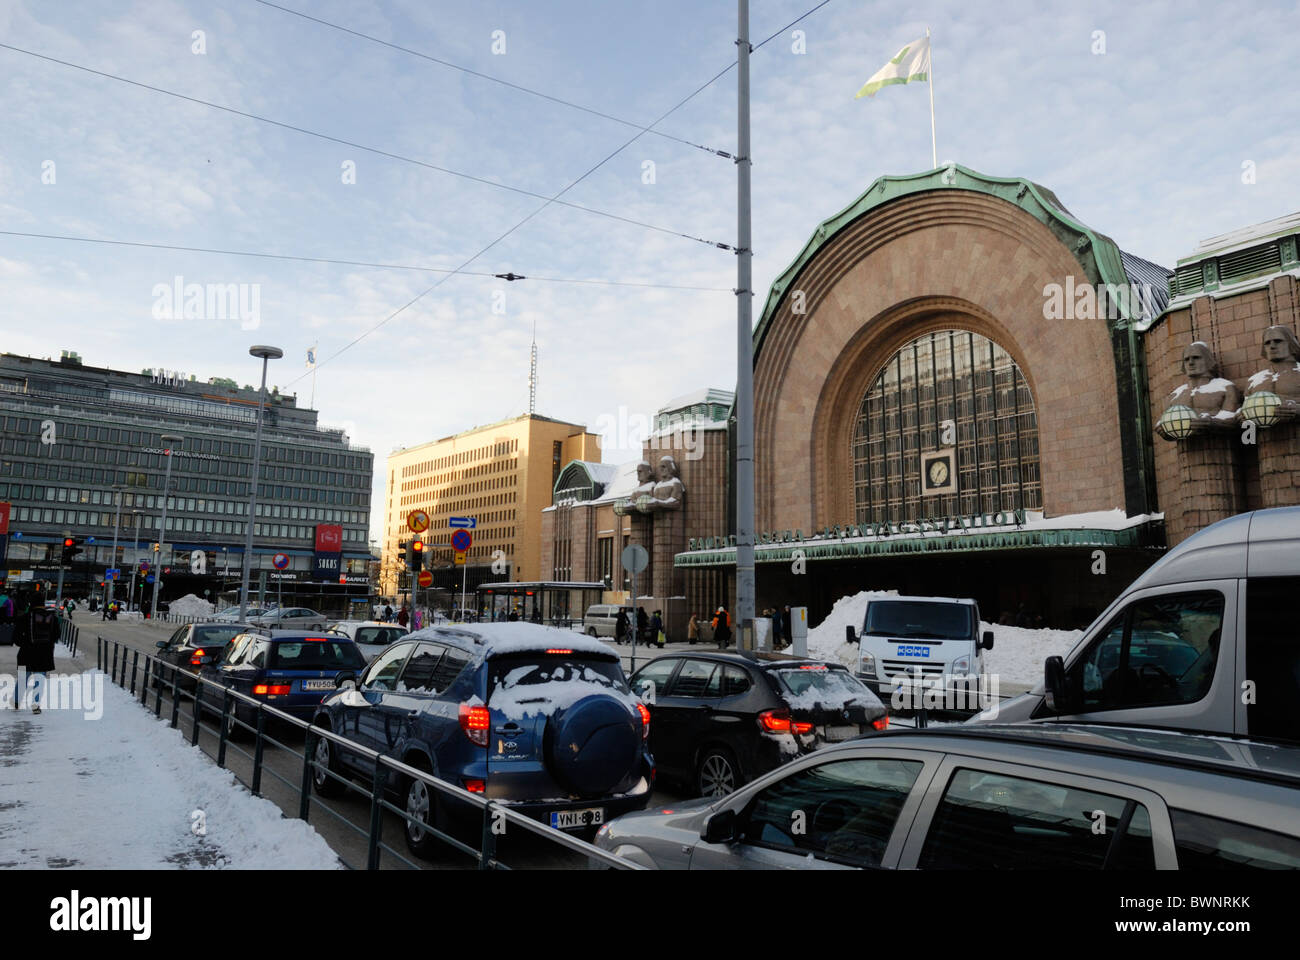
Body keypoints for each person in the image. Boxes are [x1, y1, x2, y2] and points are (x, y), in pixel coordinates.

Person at [15, 593, 58, 713]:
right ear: (43, 603)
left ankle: (17, 701)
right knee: (39, 679)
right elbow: (56, 635)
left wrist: (24, 644)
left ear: (31, 603)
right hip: (44, 654)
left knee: (23, 677)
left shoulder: (24, 618)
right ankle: (35, 705)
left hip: (26, 653)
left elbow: (16, 637)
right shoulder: (52, 618)